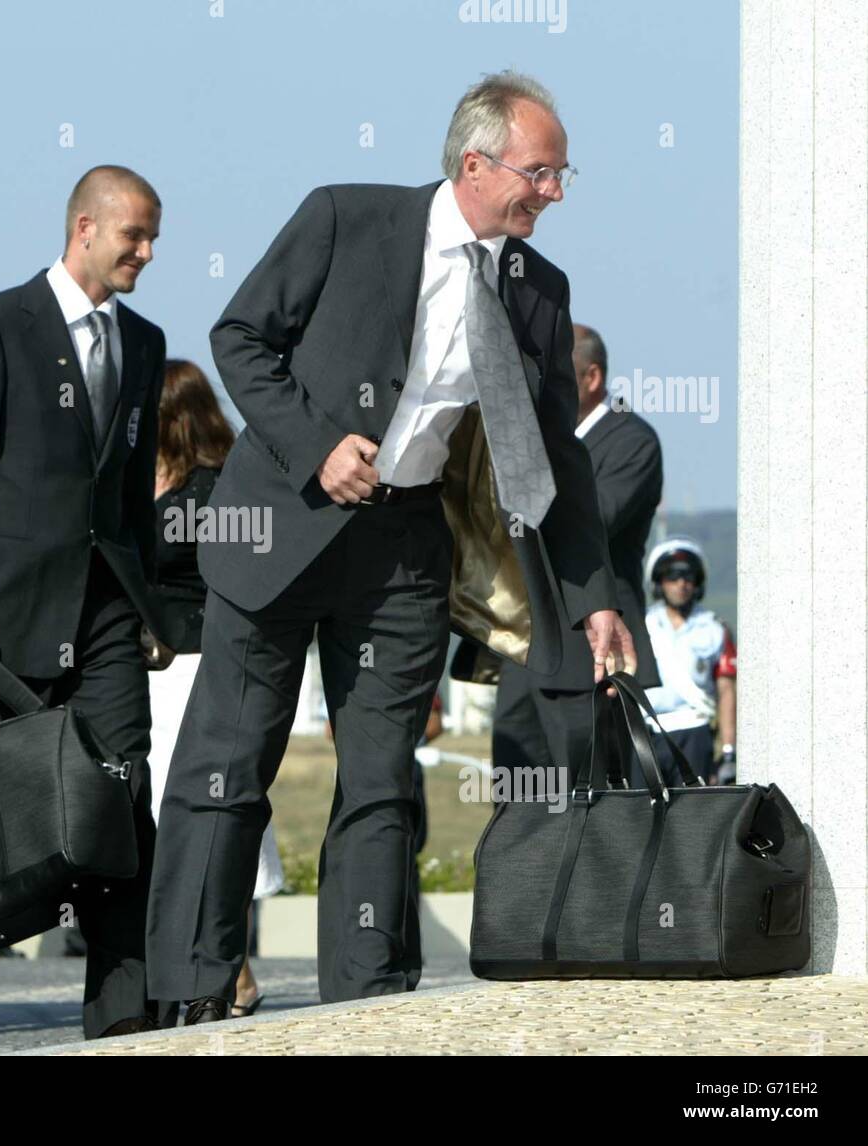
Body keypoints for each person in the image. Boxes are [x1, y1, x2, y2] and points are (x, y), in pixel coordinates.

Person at [146, 71, 635, 1024]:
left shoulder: (539, 290)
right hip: (278, 528)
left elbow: (555, 459)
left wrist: (596, 595)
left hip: (405, 552)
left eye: (562, 174)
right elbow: (240, 336)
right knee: (229, 766)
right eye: (542, 172)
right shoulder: (345, 217)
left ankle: (369, 1007)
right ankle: (188, 996)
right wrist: (318, 444)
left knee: (381, 780)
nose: (555, 192)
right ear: (476, 164)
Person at [0, 165, 168, 1054]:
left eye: (154, 238)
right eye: (133, 235)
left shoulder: (146, 342)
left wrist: (149, 609)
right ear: (83, 227)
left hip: (103, 623)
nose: (146, 252)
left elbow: (131, 498)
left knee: (122, 806)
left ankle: (123, 1018)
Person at [143, 358, 284, 1018]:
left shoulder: (216, 485)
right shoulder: (143, 481)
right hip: (150, 674)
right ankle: (187, 966)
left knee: (210, 805)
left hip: (202, 664)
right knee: (158, 817)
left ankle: (235, 968)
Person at [486, 324, 663, 787]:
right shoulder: (541, 439)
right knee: (517, 804)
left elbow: (592, 523)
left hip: (591, 654)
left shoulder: (632, 442)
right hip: (528, 649)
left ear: (592, 377)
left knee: (588, 804)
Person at [642, 538, 737, 785]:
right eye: (672, 577)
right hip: (646, 734)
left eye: (688, 577)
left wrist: (728, 749)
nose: (681, 584)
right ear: (659, 582)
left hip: (695, 732)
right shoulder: (641, 626)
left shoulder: (715, 629)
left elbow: (727, 691)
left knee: (691, 816)